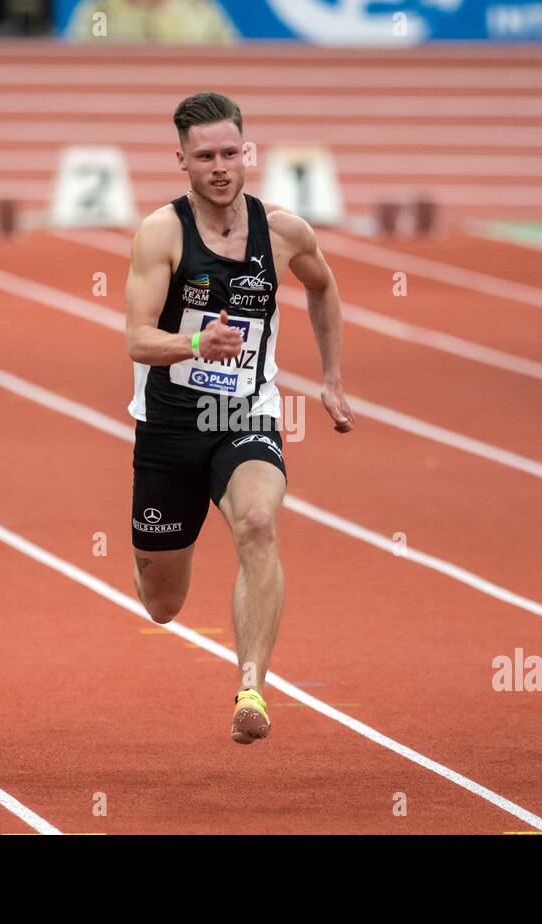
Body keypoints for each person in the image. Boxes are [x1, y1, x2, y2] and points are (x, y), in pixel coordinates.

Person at [124, 92, 354, 744]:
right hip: (168, 427)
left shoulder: (282, 233)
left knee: (258, 523)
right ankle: (151, 559)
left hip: (245, 413)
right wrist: (197, 344)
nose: (221, 167)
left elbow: (324, 287)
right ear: (181, 161)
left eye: (231, 153)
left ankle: (251, 686)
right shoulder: (161, 234)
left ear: (246, 152)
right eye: (205, 157)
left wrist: (332, 380)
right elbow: (138, 340)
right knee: (162, 603)